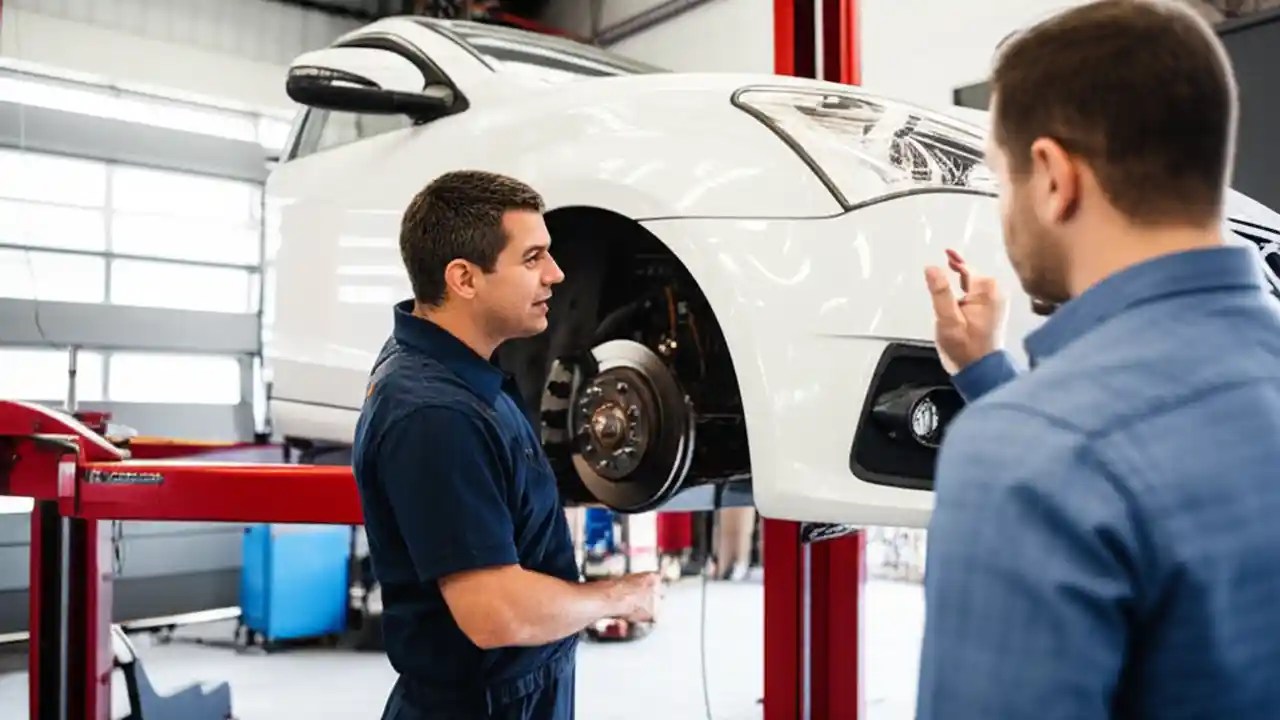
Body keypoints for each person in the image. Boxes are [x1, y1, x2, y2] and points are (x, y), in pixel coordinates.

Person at [915, 2, 1280, 719]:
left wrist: (1014, 425)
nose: (1003, 208)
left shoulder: (1027, 456)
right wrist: (988, 376)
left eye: (1000, 179)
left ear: (1053, 176)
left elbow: (1081, 467)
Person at [351, 170, 662, 720]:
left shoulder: (460, 371)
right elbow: (494, 614)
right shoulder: (436, 415)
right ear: (464, 279)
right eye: (532, 258)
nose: (556, 274)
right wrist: (619, 597)